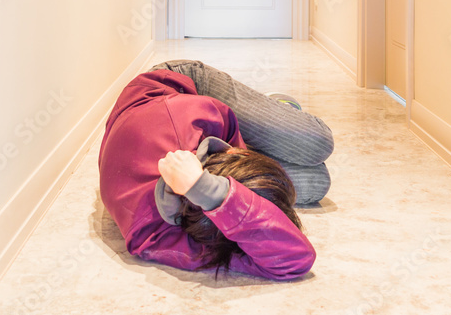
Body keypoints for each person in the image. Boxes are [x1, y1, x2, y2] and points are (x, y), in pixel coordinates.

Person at [98, 60, 335, 280]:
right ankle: (272, 132)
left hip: (182, 89)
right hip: (178, 129)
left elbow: (297, 258)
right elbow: (296, 258)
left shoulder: (196, 116)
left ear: (231, 152)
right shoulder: (160, 235)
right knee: (317, 182)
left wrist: (211, 185)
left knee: (319, 142)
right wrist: (207, 190)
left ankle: (274, 113)